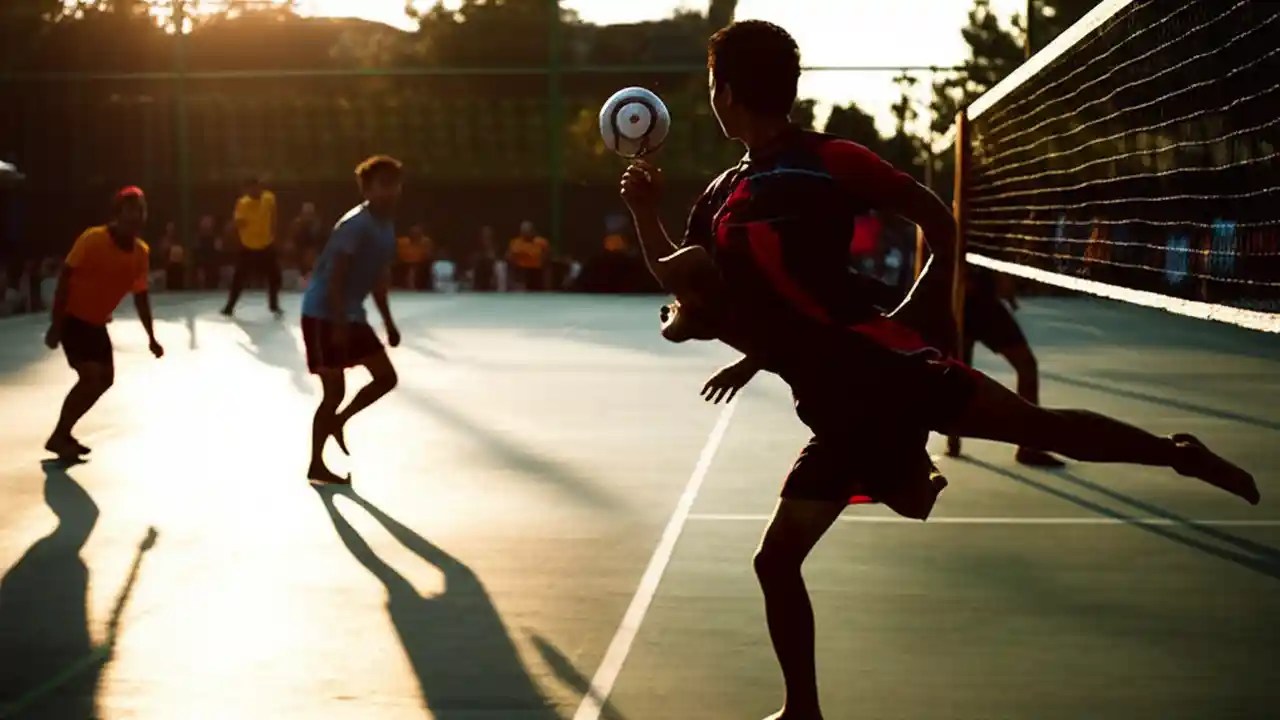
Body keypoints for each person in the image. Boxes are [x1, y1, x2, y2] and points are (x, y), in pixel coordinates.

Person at [619, 21, 1260, 720]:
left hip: (885, 370)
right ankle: (803, 704)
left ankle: (1167, 454)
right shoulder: (720, 196)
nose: (713, 96)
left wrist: (919, 309)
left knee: (1026, 431)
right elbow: (690, 287)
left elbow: (937, 219)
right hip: (837, 400)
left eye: (714, 84)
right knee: (780, 561)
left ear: (728, 92)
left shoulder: (829, 160)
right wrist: (657, 235)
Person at [300, 156, 404, 485]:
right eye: (382, 185)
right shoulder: (354, 225)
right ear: (367, 189)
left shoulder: (386, 227)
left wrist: (388, 322)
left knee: (386, 377)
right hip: (322, 313)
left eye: (394, 184)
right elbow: (335, 277)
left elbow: (378, 279)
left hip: (351, 314)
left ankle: (339, 421)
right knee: (333, 391)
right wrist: (340, 325)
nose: (390, 192)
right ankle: (316, 463)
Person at [43, 187, 164, 458]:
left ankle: (62, 435)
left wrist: (151, 337)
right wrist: (56, 324)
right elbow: (65, 279)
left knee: (105, 380)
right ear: (118, 213)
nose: (136, 216)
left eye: (141, 211)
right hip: (73, 319)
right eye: (131, 210)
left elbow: (141, 297)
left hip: (97, 325)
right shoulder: (93, 239)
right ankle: (60, 434)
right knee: (90, 376)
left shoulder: (141, 253)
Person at [947, 266, 1062, 466]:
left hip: (970, 301)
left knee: (959, 372)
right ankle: (1026, 446)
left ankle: (954, 441)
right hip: (967, 301)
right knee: (959, 372)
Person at [221, 176, 281, 317]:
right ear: (246, 190)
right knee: (239, 278)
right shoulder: (243, 204)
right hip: (248, 246)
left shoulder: (269, 198)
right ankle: (229, 306)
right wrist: (233, 226)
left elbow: (273, 215)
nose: (255, 190)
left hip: (266, 245)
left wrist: (273, 232)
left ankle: (274, 305)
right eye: (250, 188)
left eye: (257, 186)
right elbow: (238, 222)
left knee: (275, 277)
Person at [506, 220, 549, 291]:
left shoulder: (542, 242)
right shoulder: (515, 242)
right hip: (520, 272)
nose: (526, 233)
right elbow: (509, 257)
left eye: (528, 230)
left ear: (533, 231)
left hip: (537, 272)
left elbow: (546, 258)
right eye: (524, 231)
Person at [194, 215, 221, 290]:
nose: (207, 225)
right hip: (204, 267)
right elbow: (197, 255)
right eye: (205, 223)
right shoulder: (198, 240)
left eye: (208, 223)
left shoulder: (215, 239)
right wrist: (200, 270)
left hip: (213, 268)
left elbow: (217, 255)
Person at [470, 225, 499, 292]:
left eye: (488, 236)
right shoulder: (476, 251)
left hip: (492, 282)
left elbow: (497, 263)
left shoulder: (495, 249)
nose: (486, 238)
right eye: (484, 236)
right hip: (479, 283)